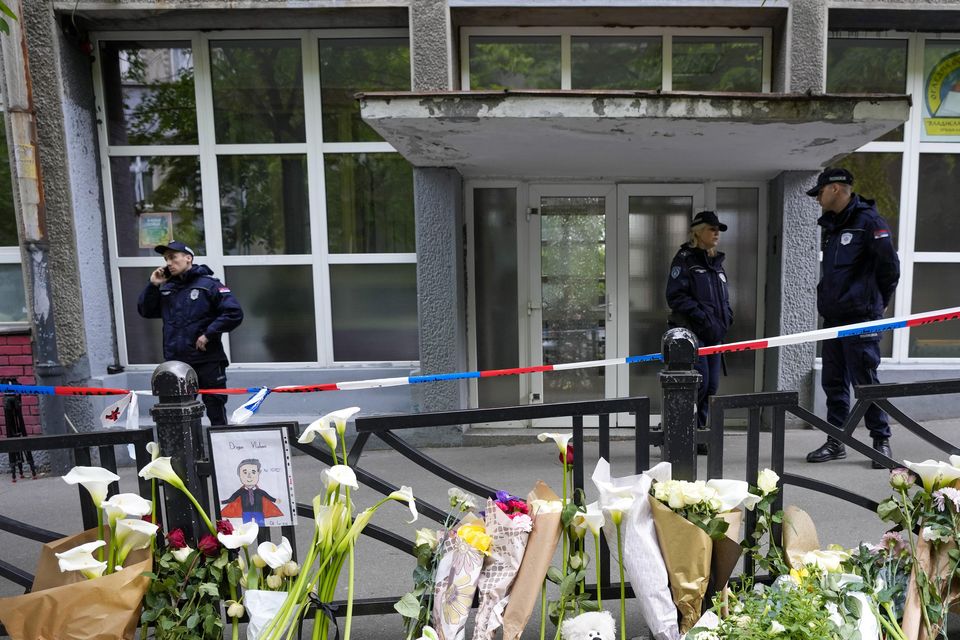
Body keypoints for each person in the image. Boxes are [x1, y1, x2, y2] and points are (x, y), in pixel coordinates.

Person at [804, 168, 900, 467]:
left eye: (820, 192)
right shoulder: (833, 225)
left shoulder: (869, 222)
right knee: (834, 383)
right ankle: (836, 441)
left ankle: (881, 441)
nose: (817, 198)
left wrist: (879, 304)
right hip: (834, 320)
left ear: (835, 189)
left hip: (861, 319)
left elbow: (890, 268)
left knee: (866, 382)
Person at [138, 241, 243, 425]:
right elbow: (146, 311)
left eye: (173, 257)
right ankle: (190, 446)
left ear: (188, 258)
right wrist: (153, 285)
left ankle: (219, 444)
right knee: (180, 416)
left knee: (216, 411)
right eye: (166, 259)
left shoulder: (209, 285)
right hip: (177, 364)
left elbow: (233, 313)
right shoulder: (167, 287)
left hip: (207, 360)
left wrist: (208, 334)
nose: (169, 263)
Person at [665, 211, 734, 434]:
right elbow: (675, 296)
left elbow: (723, 297)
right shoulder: (685, 259)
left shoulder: (716, 263)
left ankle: (699, 432)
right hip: (694, 334)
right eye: (712, 229)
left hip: (714, 334)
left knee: (711, 386)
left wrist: (727, 316)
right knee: (698, 385)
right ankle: (683, 433)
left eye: (718, 230)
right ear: (698, 231)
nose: (716, 233)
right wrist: (702, 317)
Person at [219, 458, 283, 525]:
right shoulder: (241, 491)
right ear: (239, 474)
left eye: (253, 472)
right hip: (246, 512)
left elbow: (268, 497)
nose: (249, 476)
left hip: (258, 511)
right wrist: (222, 502)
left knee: (261, 525)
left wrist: (275, 500)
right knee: (246, 526)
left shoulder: (260, 491)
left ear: (259, 473)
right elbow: (231, 499)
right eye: (245, 472)